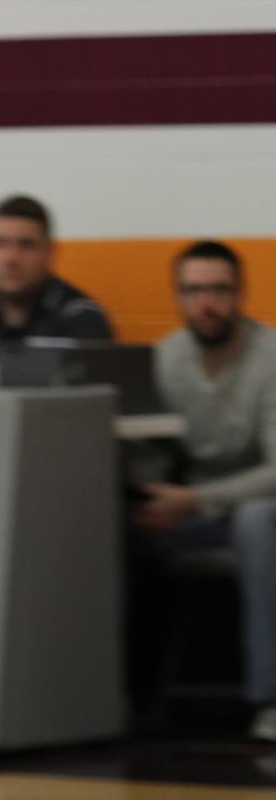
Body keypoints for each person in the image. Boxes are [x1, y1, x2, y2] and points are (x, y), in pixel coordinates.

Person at [130, 241, 276, 740]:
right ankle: (120, 697)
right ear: (178, 296)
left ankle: (268, 701)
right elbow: (148, 451)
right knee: (110, 525)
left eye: (218, 290)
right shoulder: (163, 359)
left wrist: (195, 500)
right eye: (194, 291)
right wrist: (147, 500)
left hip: (255, 514)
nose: (206, 304)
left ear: (241, 294)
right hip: (190, 516)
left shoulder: (270, 358)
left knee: (260, 520)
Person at [0, 194, 112, 345]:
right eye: (0, 244)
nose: (11, 258)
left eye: (26, 245)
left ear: (50, 252)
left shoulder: (81, 319)